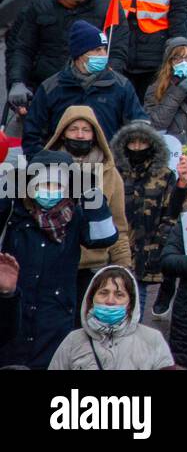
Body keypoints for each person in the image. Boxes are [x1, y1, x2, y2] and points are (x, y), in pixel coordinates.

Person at [0, 147, 120, 368]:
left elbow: (105, 236)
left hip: (55, 313)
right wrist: (8, 187)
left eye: (56, 185)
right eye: (44, 184)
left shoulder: (75, 216)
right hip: (14, 309)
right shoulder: (15, 212)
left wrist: (91, 192)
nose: (50, 191)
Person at [5, 0, 118, 125]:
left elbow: (118, 51)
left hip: (90, 97)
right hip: (45, 93)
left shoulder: (107, 7)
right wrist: (17, 81)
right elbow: (23, 48)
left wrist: (105, 88)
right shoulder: (40, 3)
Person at [42, 106, 134, 307]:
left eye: (86, 129)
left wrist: (124, 268)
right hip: (51, 265)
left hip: (93, 271)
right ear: (62, 133)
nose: (80, 135)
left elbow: (119, 226)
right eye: (74, 129)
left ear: (95, 135)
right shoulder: (43, 170)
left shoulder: (110, 175)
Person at [24, 20, 146, 157]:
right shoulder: (51, 87)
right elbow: (32, 134)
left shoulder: (121, 86)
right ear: (80, 53)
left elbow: (138, 127)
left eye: (104, 49)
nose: (103, 54)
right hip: (61, 168)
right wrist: (44, 162)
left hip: (107, 168)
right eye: (97, 49)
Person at [110, 121, 187, 316]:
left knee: (138, 303)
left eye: (142, 143)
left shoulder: (164, 175)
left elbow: (171, 214)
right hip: (115, 248)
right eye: (132, 142)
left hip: (148, 251)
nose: (137, 147)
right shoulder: (114, 173)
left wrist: (160, 244)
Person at [48, 265, 173, 370]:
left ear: (131, 304)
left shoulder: (152, 339)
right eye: (103, 293)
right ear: (91, 300)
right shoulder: (73, 340)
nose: (110, 301)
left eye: (119, 295)